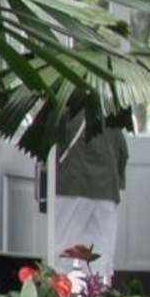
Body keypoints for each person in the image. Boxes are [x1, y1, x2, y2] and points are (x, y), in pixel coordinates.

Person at [54, 114, 129, 272]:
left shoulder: (65, 112)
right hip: (106, 190)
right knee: (99, 252)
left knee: (62, 249)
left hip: (71, 185)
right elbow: (123, 151)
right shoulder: (110, 114)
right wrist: (118, 180)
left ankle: (57, 292)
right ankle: (96, 293)